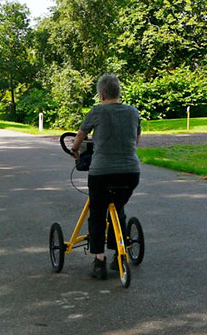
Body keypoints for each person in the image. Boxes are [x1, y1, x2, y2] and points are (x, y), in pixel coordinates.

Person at [71, 74, 141, 280]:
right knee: (118, 208)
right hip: (130, 173)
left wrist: (75, 150)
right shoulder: (133, 112)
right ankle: (119, 253)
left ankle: (99, 261)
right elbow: (136, 140)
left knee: (98, 212)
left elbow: (80, 136)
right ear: (119, 93)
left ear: (101, 95)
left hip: (102, 173)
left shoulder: (97, 111)